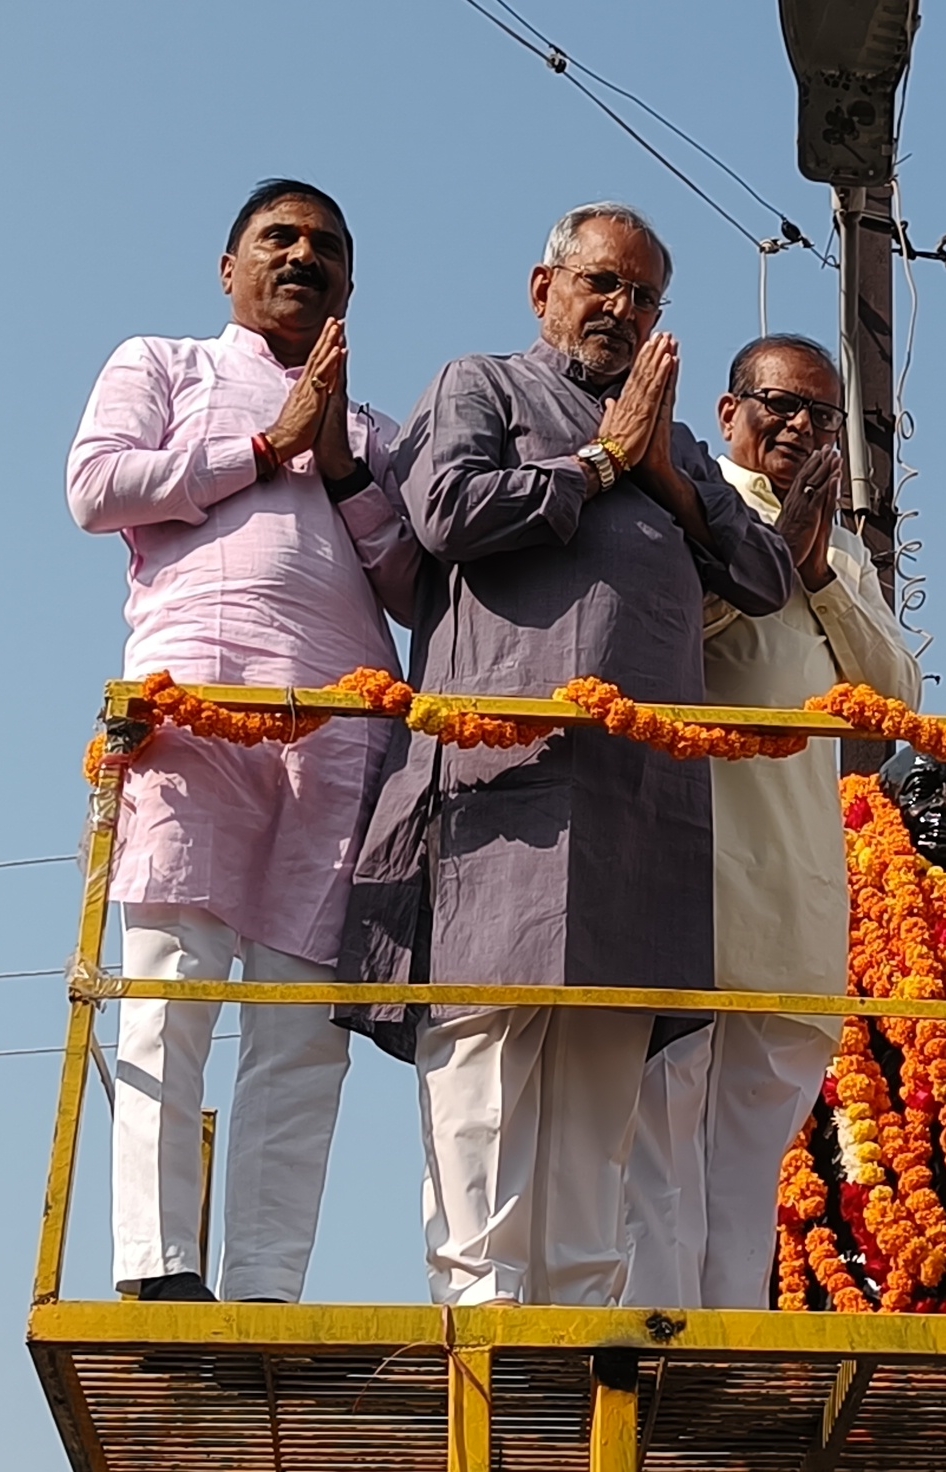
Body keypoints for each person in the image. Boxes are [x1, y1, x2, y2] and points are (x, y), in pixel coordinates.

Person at [339, 202, 795, 1308]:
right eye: (602, 285)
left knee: (602, 1099)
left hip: (638, 804)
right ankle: (483, 1331)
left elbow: (766, 571)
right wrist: (596, 465)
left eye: (644, 297)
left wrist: (666, 476)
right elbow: (447, 511)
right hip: (507, 790)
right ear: (543, 289)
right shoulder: (480, 385)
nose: (621, 310)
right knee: (484, 1070)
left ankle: (584, 1344)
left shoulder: (675, 438)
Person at [67, 178, 420, 1303]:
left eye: (325, 247)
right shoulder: (166, 364)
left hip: (342, 738)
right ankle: (158, 1269)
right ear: (230, 268)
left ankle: (266, 1287)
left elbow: (416, 581)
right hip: (193, 716)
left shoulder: (378, 429)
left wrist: (344, 460)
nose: (302, 256)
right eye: (279, 237)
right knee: (169, 992)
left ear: (351, 288)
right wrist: (266, 448)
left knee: (305, 1025)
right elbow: (95, 486)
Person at [622, 334, 919, 1309]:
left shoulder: (838, 550)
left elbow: (894, 693)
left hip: (792, 888)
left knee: (752, 1162)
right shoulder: (683, 506)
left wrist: (816, 568)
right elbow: (654, 645)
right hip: (689, 881)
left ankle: (727, 1359)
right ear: (726, 411)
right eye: (777, 404)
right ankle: (663, 1353)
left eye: (819, 414)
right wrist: (762, 556)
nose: (798, 425)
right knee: (659, 1145)